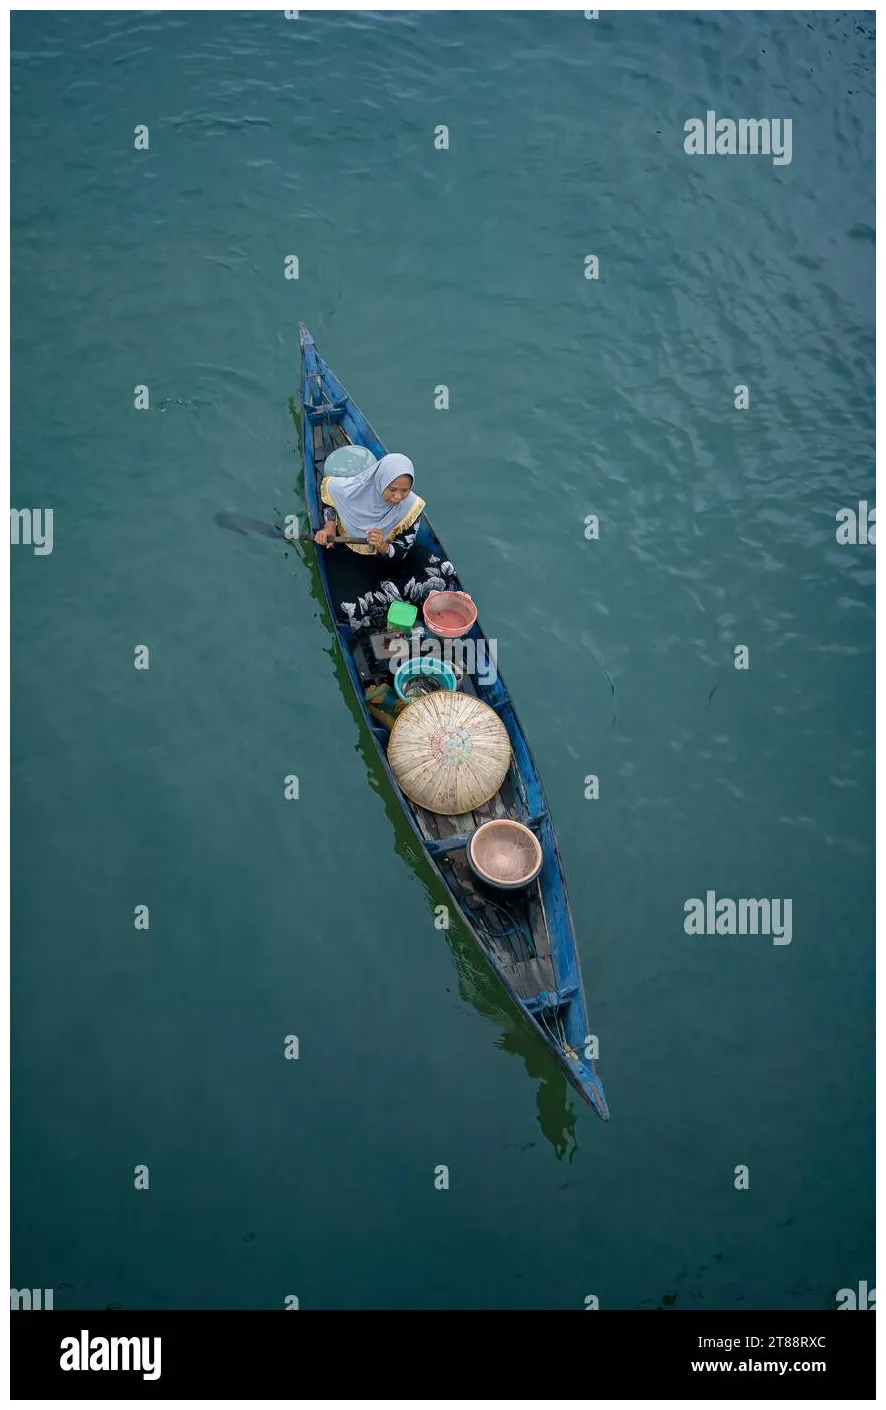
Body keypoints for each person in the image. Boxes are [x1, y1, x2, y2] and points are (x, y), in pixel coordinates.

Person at [314, 452, 457, 630]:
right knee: (348, 609)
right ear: (379, 481)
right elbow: (330, 503)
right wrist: (329, 527)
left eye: (404, 491)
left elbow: (404, 547)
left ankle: (393, 607)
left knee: (441, 573)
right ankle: (404, 602)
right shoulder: (347, 488)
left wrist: (383, 546)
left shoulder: (411, 506)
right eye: (392, 490)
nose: (398, 497)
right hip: (350, 553)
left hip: (390, 555)